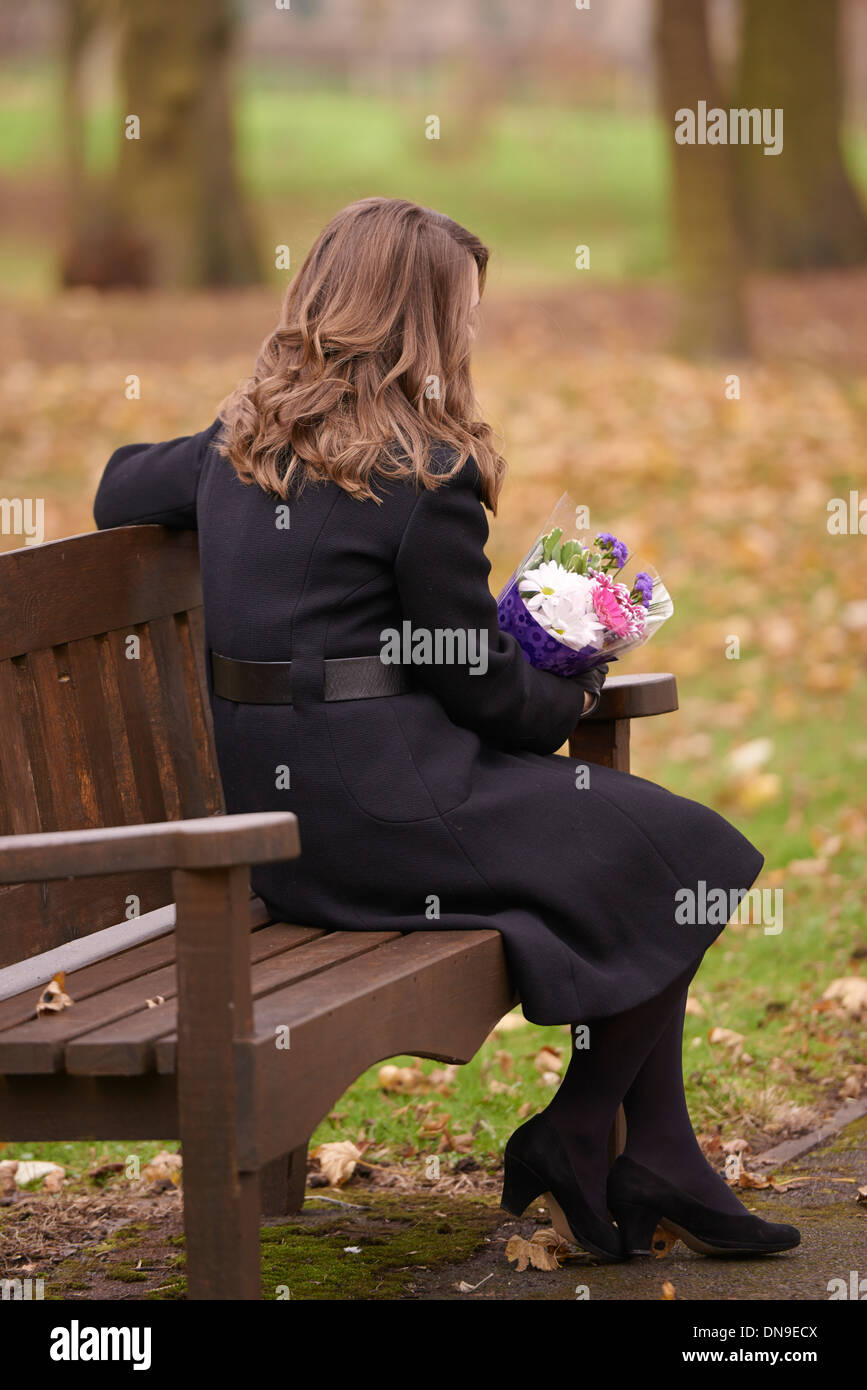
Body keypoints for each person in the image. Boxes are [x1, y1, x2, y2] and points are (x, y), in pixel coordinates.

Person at [93, 196, 799, 1262]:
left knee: (642, 847)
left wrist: (228, 438)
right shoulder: (425, 474)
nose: (470, 333)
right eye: (462, 311)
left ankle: (660, 1154)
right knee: (690, 852)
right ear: (420, 321)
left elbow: (111, 486)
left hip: (283, 834)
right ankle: (575, 1131)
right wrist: (574, 684)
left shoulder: (236, 444)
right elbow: (482, 693)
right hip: (387, 817)